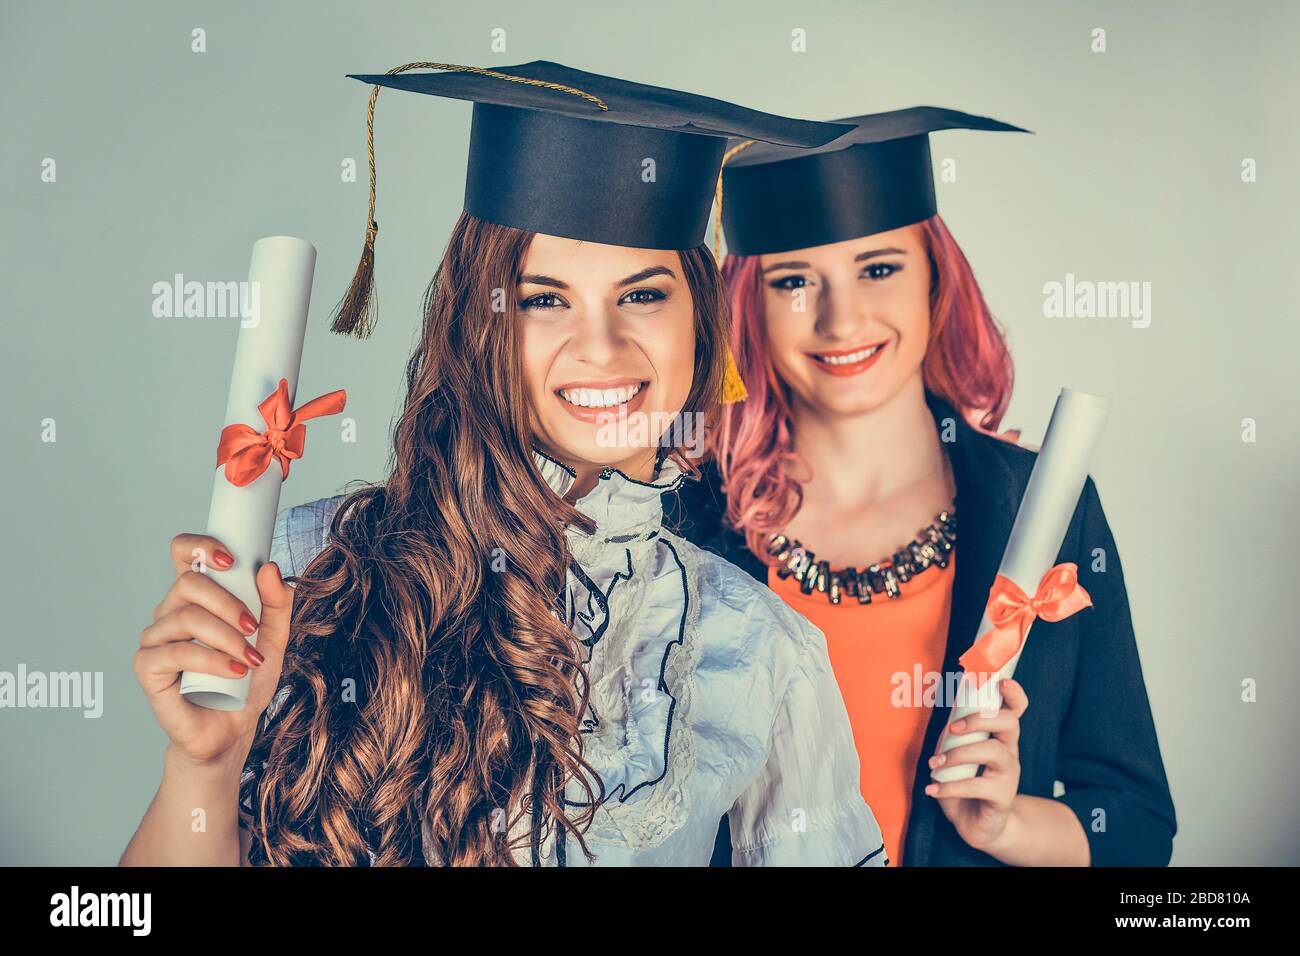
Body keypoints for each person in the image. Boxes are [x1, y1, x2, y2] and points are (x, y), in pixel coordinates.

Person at [120, 61, 887, 867]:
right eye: (541, 298)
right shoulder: (302, 573)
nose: (600, 347)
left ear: (702, 321)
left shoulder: (760, 649)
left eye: (643, 294)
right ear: (478, 322)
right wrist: (202, 767)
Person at [670, 107, 1176, 866]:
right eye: (795, 281)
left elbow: (1134, 825)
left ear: (936, 276)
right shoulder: (683, 518)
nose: (842, 320)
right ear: (750, 304)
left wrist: (1004, 824)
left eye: (879, 268)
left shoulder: (1040, 505)